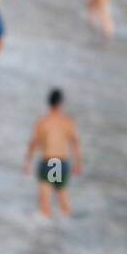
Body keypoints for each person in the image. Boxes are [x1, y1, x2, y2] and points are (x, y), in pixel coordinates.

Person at [23, 88, 83, 219]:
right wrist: (78, 163)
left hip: (50, 162)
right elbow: (75, 143)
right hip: (59, 162)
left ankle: (47, 233)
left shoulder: (43, 122)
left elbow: (33, 143)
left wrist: (27, 162)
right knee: (62, 200)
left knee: (45, 204)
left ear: (49, 103)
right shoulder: (67, 122)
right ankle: (64, 230)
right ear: (61, 103)